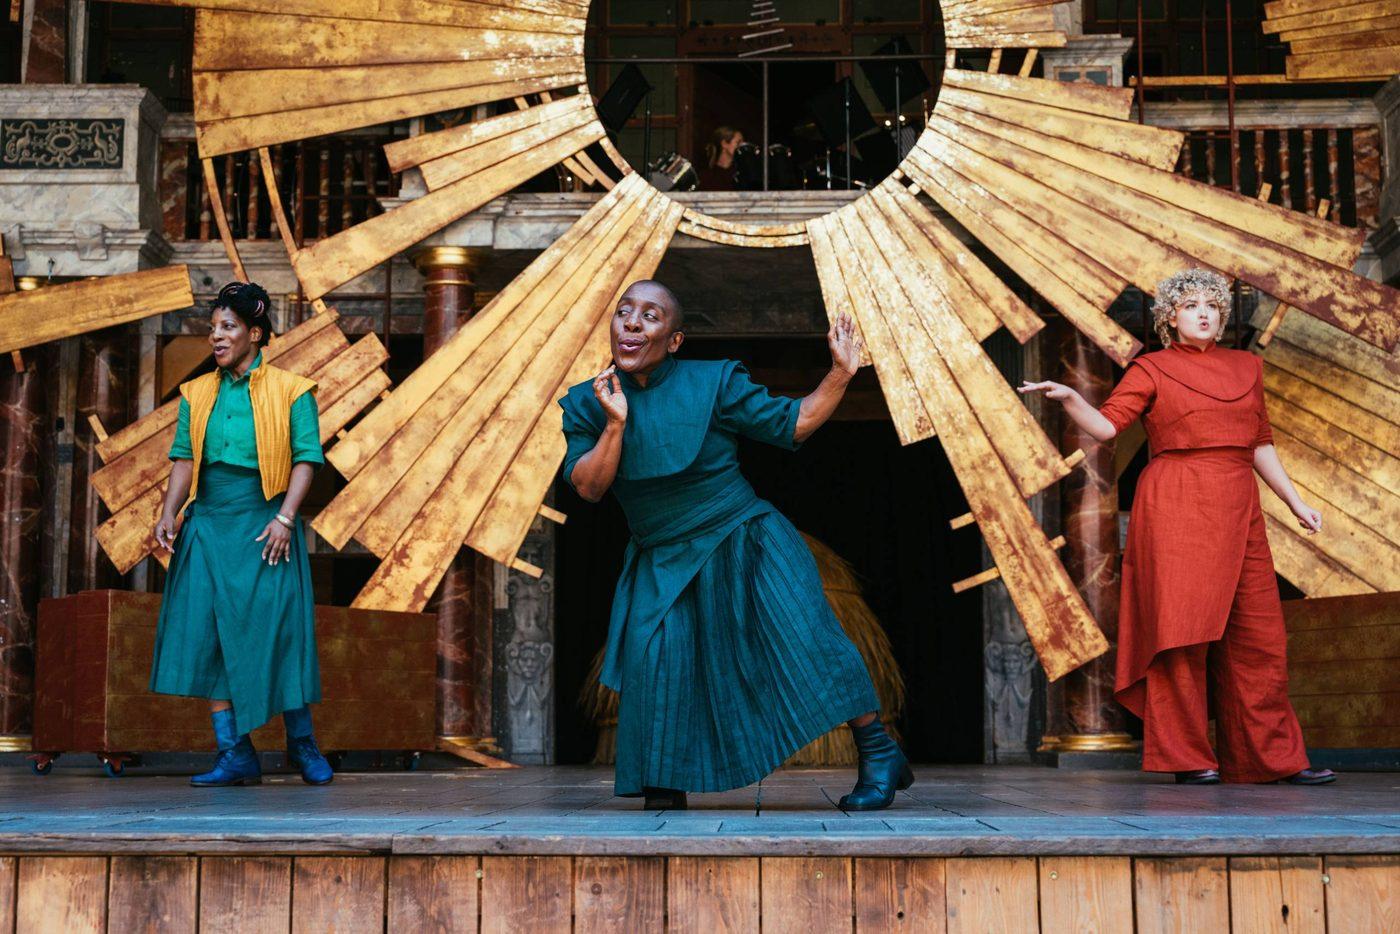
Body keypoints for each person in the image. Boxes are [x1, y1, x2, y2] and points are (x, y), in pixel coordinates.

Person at [560, 280, 911, 811]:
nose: (632, 323)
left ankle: (879, 750)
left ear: (674, 340)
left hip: (744, 538)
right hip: (663, 555)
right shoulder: (589, 402)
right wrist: (615, 424)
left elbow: (794, 424)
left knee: (808, 642)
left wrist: (840, 373)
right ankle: (662, 783)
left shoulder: (714, 382)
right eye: (625, 312)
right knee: (657, 665)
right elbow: (589, 486)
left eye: (650, 316)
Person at [1020, 268, 1334, 786]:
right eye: (1191, 305)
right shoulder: (1152, 369)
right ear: (1170, 317)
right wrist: (1071, 398)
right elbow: (1106, 426)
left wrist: (1296, 503)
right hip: (1177, 501)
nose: (1204, 313)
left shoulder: (1247, 367)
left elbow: (1259, 443)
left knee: (1259, 635)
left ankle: (1271, 759)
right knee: (1182, 633)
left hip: (1240, 504)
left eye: (1212, 304)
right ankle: (1188, 758)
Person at [150, 281, 333, 787]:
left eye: (227, 327)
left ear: (255, 333)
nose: (217, 337)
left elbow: (306, 460)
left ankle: (301, 744)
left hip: (266, 522)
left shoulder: (292, 390)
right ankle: (234, 753)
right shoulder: (197, 392)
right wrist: (170, 511)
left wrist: (285, 518)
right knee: (212, 638)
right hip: (209, 523)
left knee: (280, 631)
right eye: (213, 329)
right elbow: (185, 458)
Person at [698, 126, 743, 191]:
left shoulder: (741, 174)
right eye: (738, 142)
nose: (742, 146)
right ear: (724, 144)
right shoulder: (706, 177)